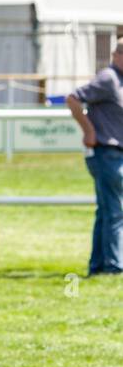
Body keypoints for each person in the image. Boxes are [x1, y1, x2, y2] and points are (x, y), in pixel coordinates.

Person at [66, 43, 123, 275]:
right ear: (117, 55)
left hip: (113, 153)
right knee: (115, 211)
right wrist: (89, 131)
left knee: (107, 210)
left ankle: (99, 264)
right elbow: (73, 99)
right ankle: (113, 266)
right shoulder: (109, 78)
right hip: (106, 153)